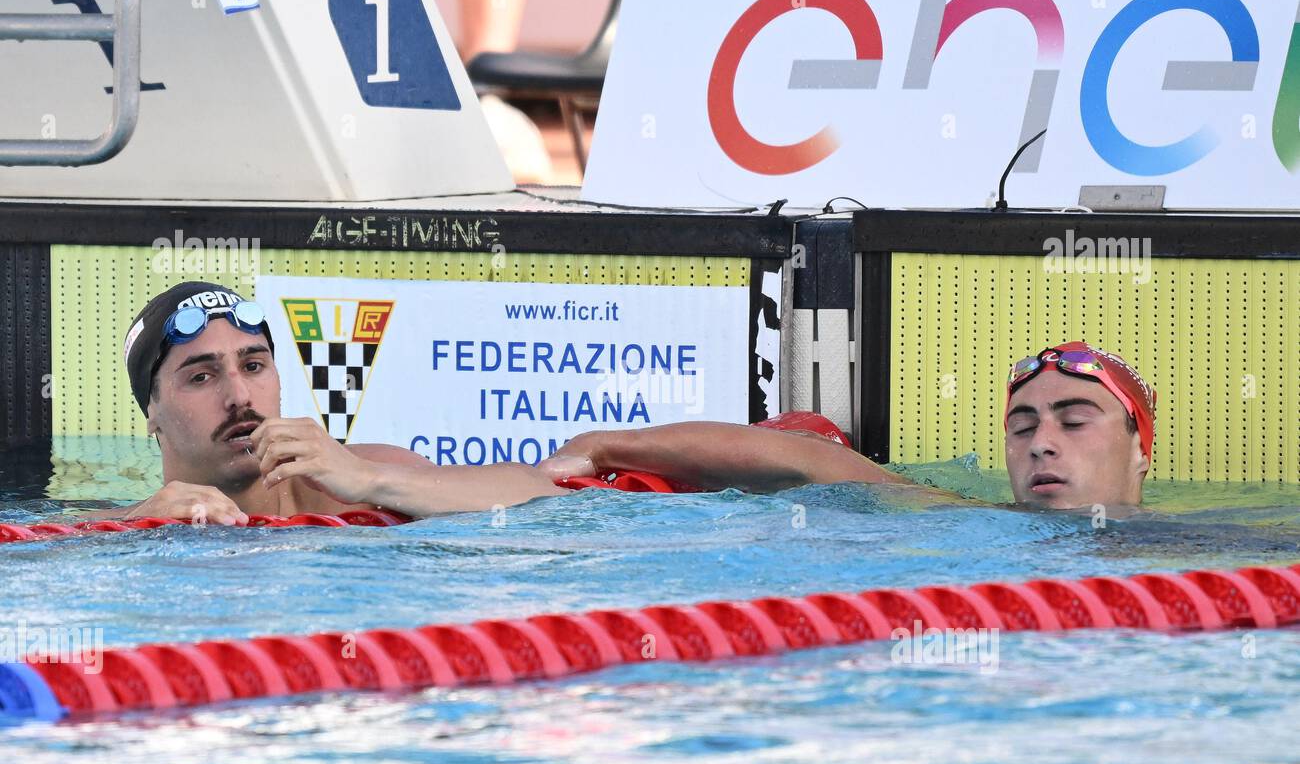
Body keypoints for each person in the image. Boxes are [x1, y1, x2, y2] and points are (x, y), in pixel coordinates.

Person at [114, 282, 565, 525]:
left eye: (253, 366)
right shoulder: (135, 523)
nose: (239, 397)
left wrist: (367, 479)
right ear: (151, 412)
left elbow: (542, 498)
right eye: (201, 376)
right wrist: (136, 528)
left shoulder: (352, 479)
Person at [539, 342, 1158, 514]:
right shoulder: (959, 515)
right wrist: (603, 445)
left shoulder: (1207, 544)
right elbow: (800, 459)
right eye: (1021, 428)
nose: (1043, 442)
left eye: (1075, 420)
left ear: (1140, 452)